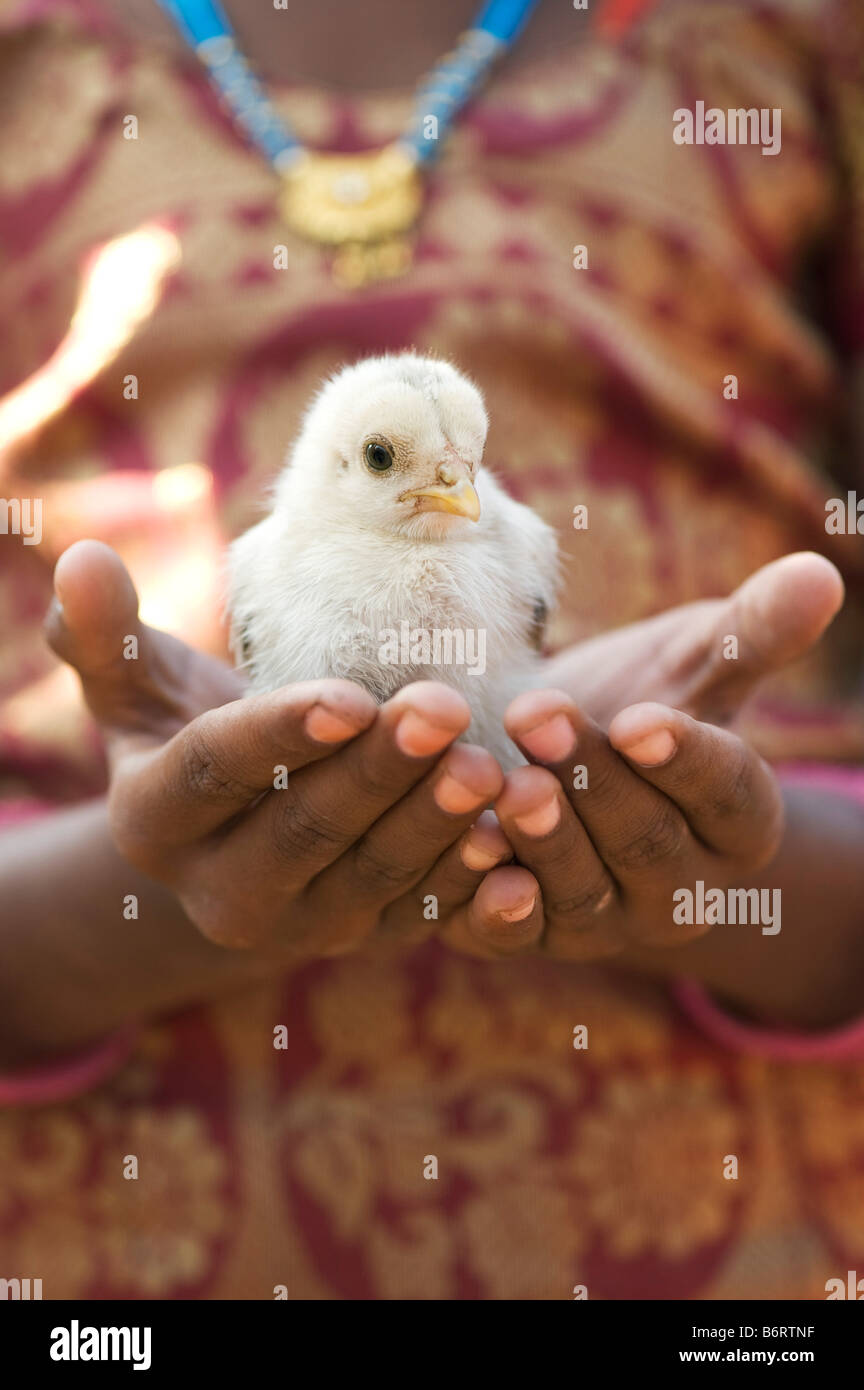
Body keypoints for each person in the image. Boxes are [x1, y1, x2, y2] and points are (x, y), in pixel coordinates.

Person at [1, 0, 863, 1300]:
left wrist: (745, 870)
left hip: (744, 1241)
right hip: (109, 1257)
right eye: (399, 464)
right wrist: (129, 892)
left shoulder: (795, 39)